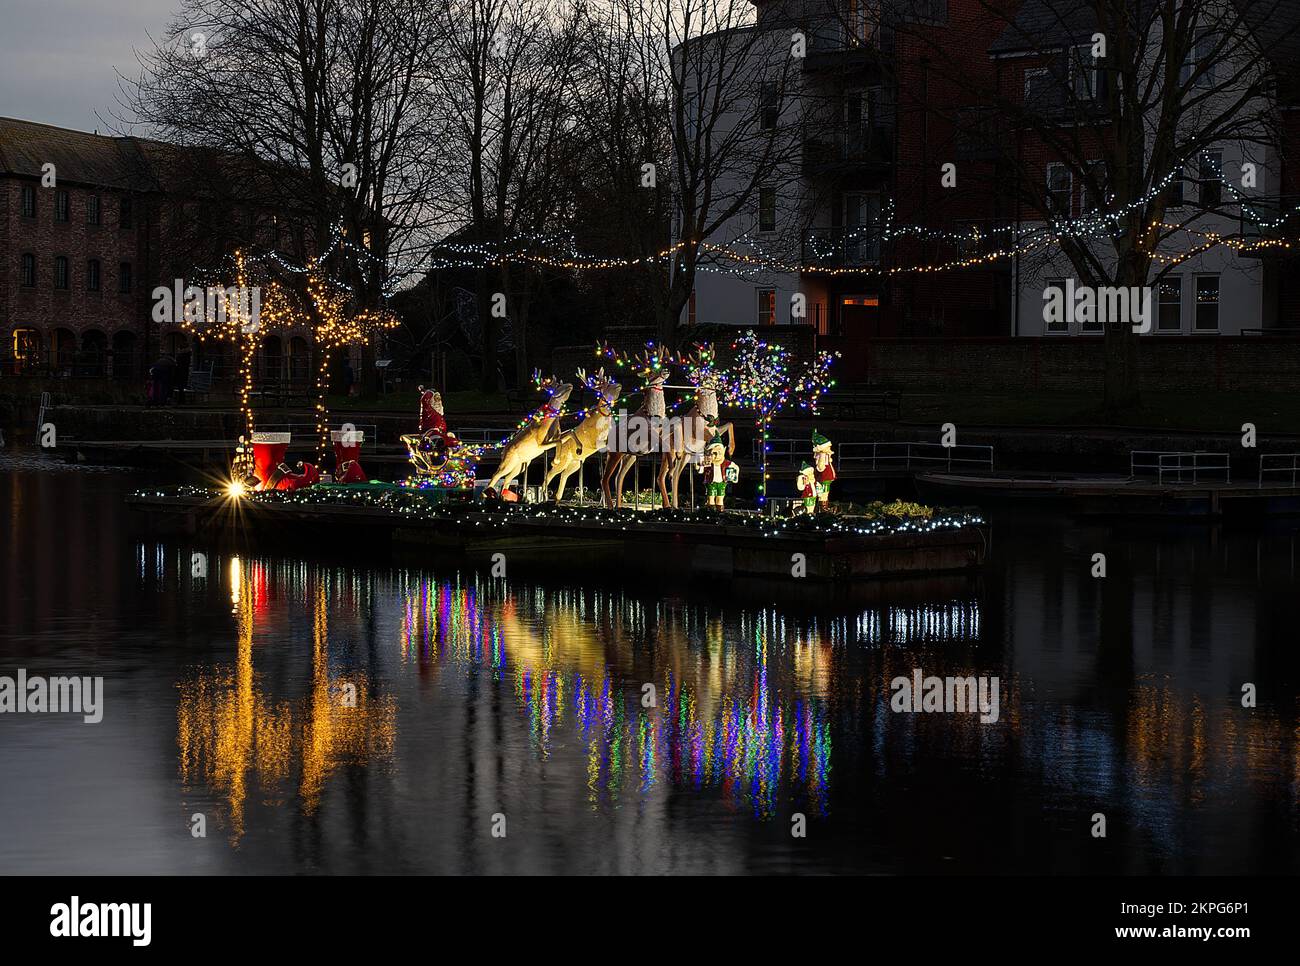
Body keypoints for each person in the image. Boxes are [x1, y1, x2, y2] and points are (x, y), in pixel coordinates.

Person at [812, 429, 836, 512]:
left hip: (826, 477)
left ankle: (823, 506)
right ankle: (823, 507)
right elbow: (821, 467)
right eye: (828, 447)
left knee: (825, 493)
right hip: (824, 477)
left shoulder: (826, 455)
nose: (829, 448)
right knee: (824, 493)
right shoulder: (822, 455)